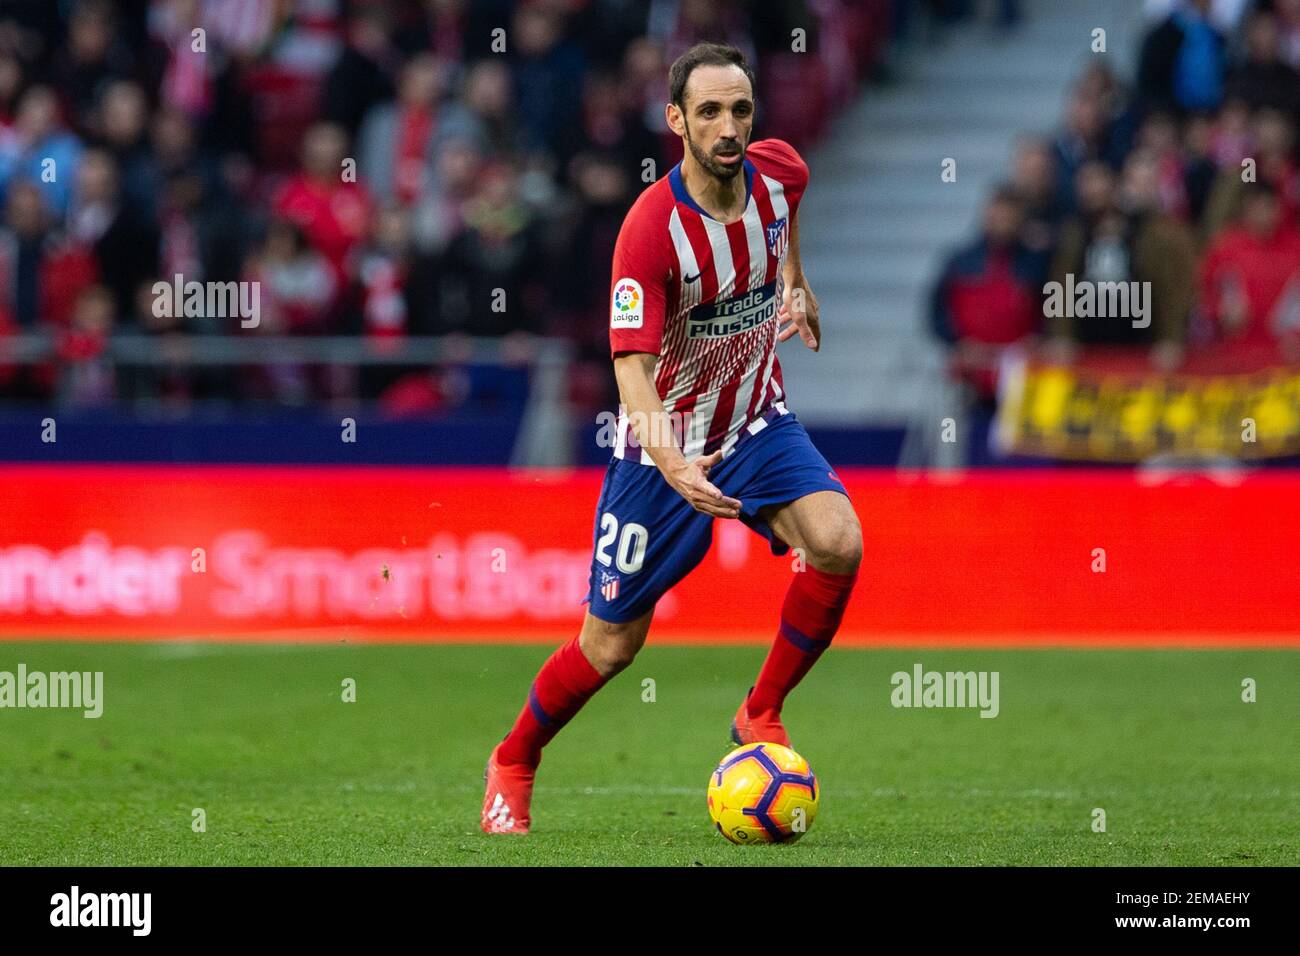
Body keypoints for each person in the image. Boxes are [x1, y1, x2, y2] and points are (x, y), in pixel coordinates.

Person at [481, 42, 862, 834]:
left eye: (742, 110)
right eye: (711, 112)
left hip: (757, 418)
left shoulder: (781, 172)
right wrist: (670, 460)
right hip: (662, 447)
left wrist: (797, 282)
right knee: (611, 647)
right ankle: (515, 757)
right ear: (676, 122)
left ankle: (759, 712)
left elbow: (788, 217)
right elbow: (631, 373)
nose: (730, 127)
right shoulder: (649, 235)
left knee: (838, 540)